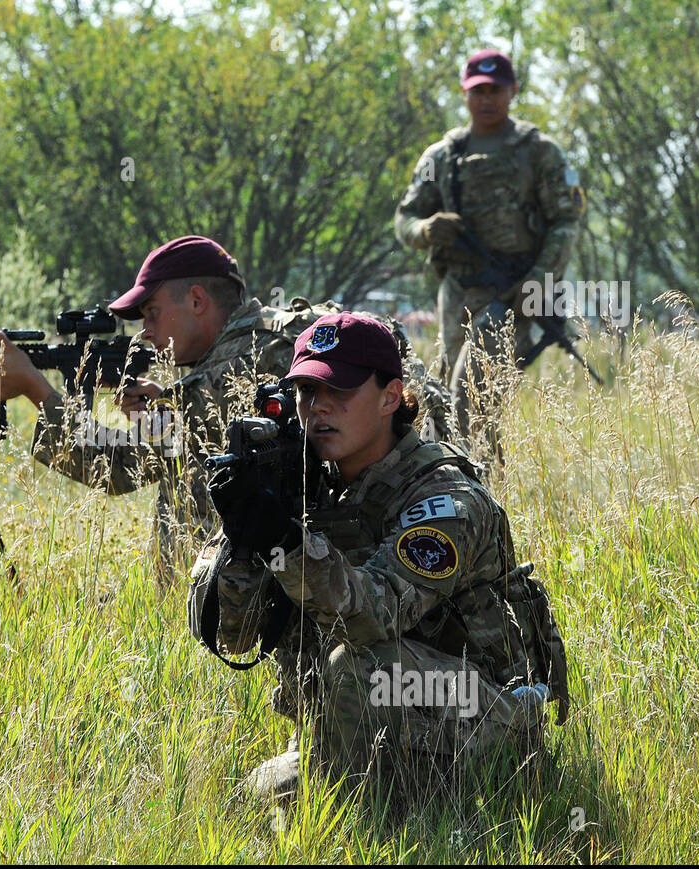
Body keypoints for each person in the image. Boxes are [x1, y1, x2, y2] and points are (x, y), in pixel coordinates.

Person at [188, 312, 568, 800]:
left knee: (357, 667)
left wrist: (283, 540)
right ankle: (356, 808)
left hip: (483, 726)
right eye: (306, 392)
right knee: (252, 799)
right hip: (360, 727)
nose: (318, 407)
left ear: (391, 396)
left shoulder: (445, 498)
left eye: (339, 391)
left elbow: (375, 614)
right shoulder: (309, 487)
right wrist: (244, 542)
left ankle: (380, 821)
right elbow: (234, 639)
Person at [0, 235, 316, 578]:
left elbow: (117, 468)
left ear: (197, 300)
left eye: (152, 313)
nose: (146, 332)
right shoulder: (272, 340)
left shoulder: (223, 375)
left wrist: (35, 388)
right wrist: (164, 408)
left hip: (250, 609)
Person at [395, 49, 584, 452]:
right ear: (465, 93)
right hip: (456, 292)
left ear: (513, 90)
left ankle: (479, 492)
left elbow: (566, 222)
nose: (486, 98)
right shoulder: (443, 156)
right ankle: (449, 483)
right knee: (443, 400)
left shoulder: (540, 152)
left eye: (495, 89)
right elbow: (405, 219)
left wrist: (539, 280)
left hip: (511, 296)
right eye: (478, 90)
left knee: (471, 395)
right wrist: (427, 228)